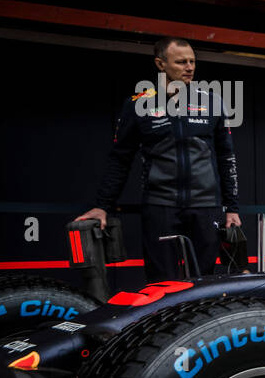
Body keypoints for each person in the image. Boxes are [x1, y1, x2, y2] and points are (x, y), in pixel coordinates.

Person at [80, 37, 240, 282]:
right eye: (181, 62)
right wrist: (103, 205)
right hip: (160, 207)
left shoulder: (213, 101)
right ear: (160, 64)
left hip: (206, 208)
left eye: (192, 61)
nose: (190, 67)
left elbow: (226, 157)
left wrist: (232, 208)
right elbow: (120, 159)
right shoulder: (138, 104)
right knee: (161, 283)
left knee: (204, 282)